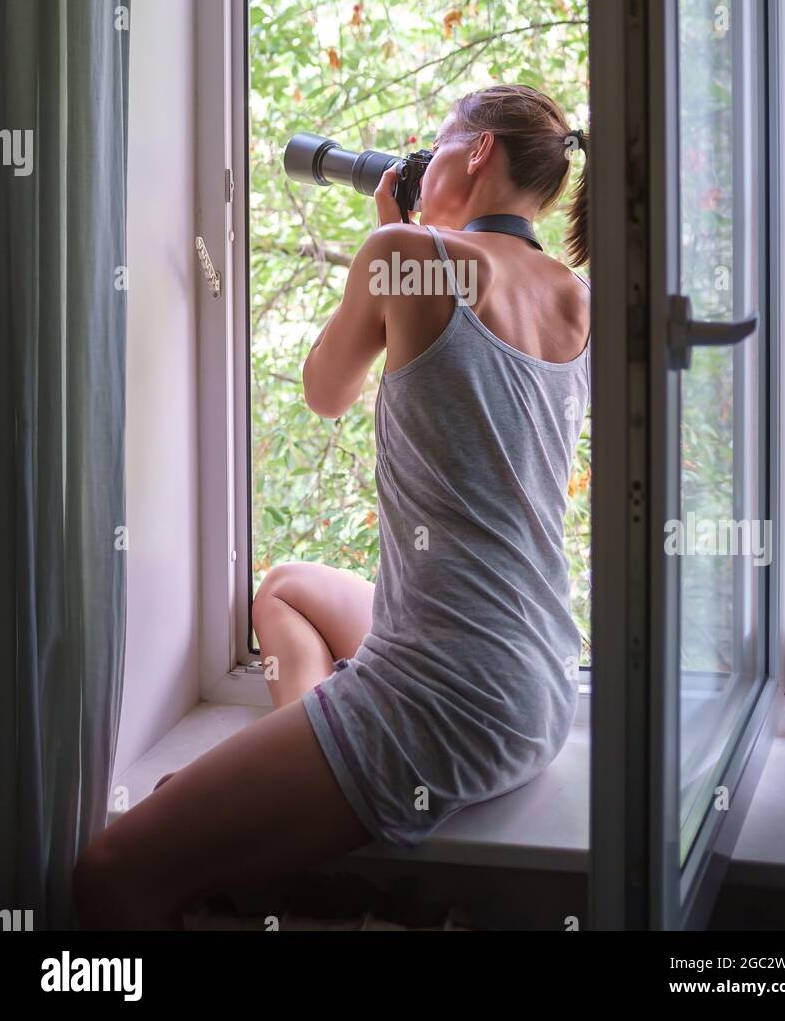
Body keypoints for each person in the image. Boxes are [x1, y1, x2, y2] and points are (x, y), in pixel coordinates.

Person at [73, 84, 590, 930]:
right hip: (536, 684)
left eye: (439, 139)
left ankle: (319, 782)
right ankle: (311, 771)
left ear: (479, 152)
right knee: (284, 586)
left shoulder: (406, 251)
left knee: (109, 873)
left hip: (443, 699)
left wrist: (391, 238)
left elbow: (323, 391)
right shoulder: (578, 301)